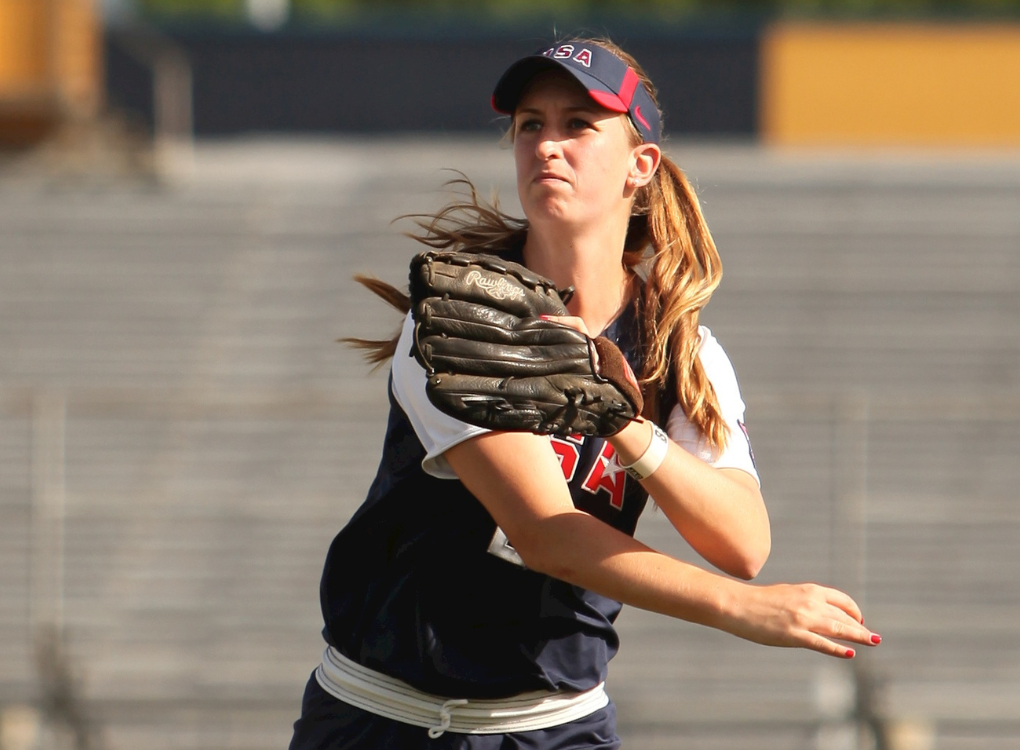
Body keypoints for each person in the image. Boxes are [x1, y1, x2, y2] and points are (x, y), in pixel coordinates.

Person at [289, 38, 879, 750]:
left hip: (557, 727)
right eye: (530, 124)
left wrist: (629, 428)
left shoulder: (678, 348)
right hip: (384, 720)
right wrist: (739, 609)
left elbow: (742, 541)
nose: (547, 145)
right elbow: (544, 535)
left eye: (578, 124)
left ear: (641, 164)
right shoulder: (459, 318)